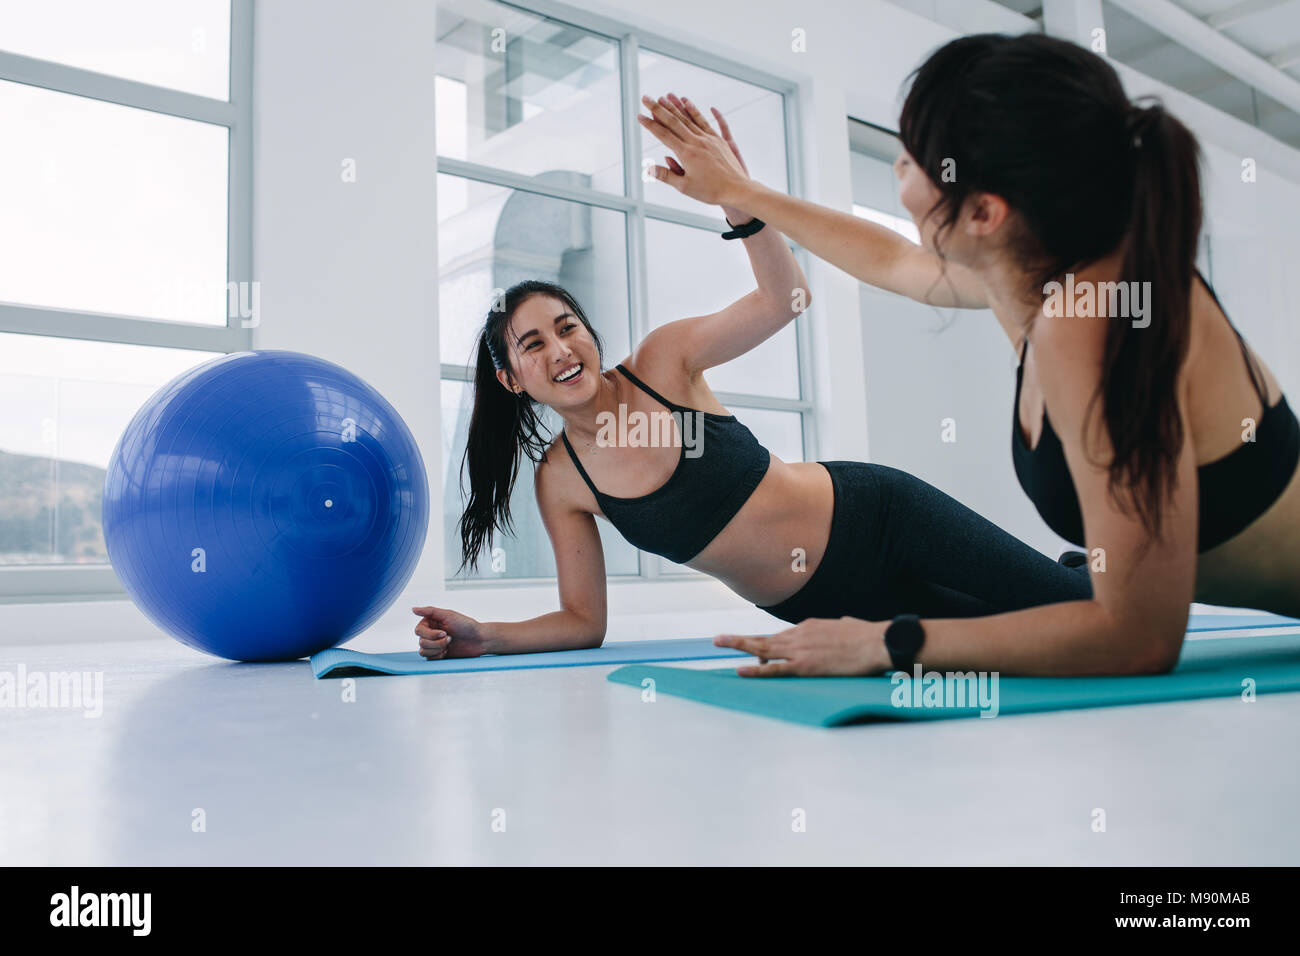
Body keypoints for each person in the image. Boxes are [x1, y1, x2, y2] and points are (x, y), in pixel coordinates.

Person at [632, 32, 1300, 677]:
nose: (899, 166)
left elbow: (1138, 639)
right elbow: (893, 260)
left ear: (984, 213)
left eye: (915, 156)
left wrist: (886, 644)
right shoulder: (1040, 261)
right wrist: (740, 196)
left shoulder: (1091, 319)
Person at [413, 155, 1092, 672]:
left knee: (1081, 615)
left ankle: (1099, 563)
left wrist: (741, 207)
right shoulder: (561, 480)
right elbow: (583, 621)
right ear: (510, 378)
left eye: (568, 326)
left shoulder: (662, 361)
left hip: (880, 519)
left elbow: (785, 300)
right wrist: (488, 635)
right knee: (1026, 650)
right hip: (820, 609)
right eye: (534, 344)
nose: (562, 349)